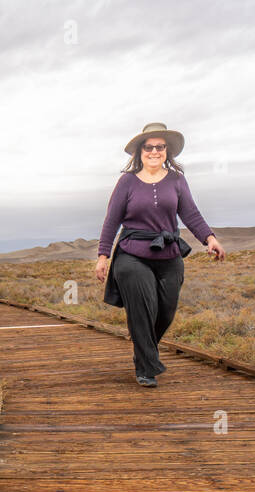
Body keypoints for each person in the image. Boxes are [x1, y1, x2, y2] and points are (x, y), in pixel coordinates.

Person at [94, 122, 226, 387]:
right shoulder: (127, 182)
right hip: (132, 253)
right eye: (149, 147)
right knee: (143, 306)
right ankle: (146, 367)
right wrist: (103, 255)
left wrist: (209, 238)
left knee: (165, 309)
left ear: (167, 150)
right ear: (139, 152)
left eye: (159, 147)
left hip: (168, 252)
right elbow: (112, 220)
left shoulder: (177, 180)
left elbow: (190, 213)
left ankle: (143, 350)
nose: (154, 151)